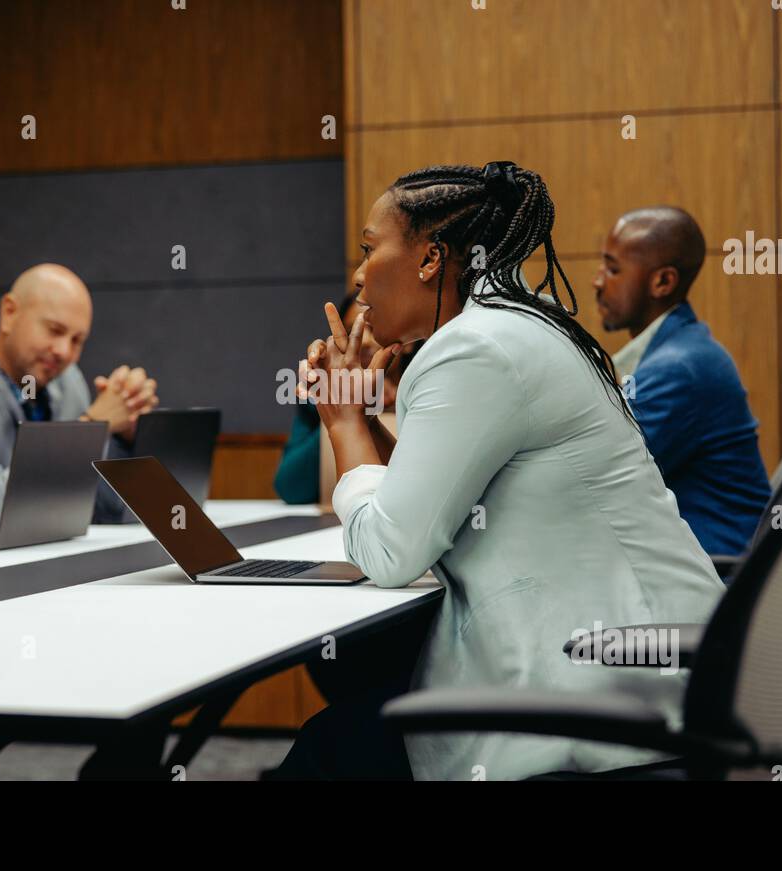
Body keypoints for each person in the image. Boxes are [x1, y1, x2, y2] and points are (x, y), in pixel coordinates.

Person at [274, 163, 723, 781]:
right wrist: (360, 417)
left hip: (606, 692)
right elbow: (426, 494)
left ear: (431, 259)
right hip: (657, 675)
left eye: (369, 250)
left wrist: (347, 422)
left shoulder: (473, 349)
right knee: (353, 708)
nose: (358, 275)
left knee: (331, 750)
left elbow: (390, 551)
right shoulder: (517, 324)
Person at [0, 263, 159, 527]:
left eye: (77, 340)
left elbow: (100, 509)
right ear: (9, 313)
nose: (65, 351)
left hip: (48, 553)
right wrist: (91, 427)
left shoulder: (68, 381)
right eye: (54, 330)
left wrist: (125, 437)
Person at [592, 206, 771, 557]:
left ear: (662, 282)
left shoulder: (678, 370)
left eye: (613, 269)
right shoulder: (680, 350)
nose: (597, 281)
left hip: (719, 578)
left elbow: (602, 479)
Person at [273, 293, 412, 504]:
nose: (363, 341)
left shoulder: (426, 393)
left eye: (374, 328)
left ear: (408, 340)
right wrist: (337, 407)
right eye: (350, 332)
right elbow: (290, 489)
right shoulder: (316, 399)